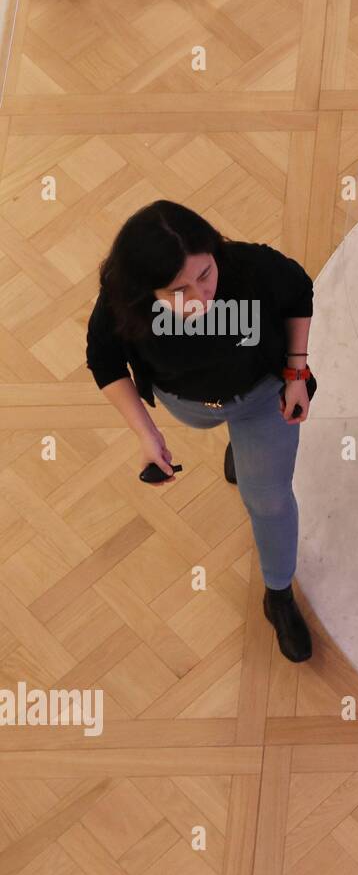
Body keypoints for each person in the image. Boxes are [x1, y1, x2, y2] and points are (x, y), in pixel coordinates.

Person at [86, 200, 316, 662]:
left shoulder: (249, 267)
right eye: (178, 290)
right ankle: (239, 444)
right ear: (144, 290)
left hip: (260, 398)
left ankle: (279, 595)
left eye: (205, 275)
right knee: (241, 450)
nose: (201, 298)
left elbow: (298, 295)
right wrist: (146, 433)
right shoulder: (119, 301)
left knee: (267, 499)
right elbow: (104, 361)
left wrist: (295, 372)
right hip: (187, 405)